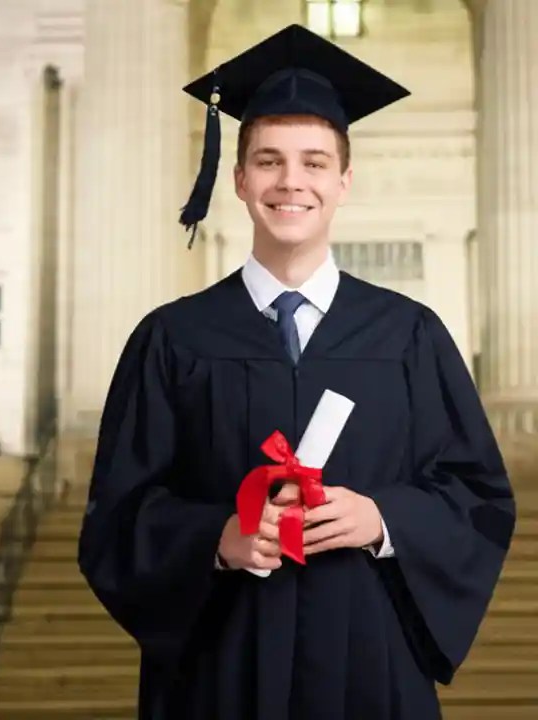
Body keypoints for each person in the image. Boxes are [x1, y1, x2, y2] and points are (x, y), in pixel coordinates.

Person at [76, 24, 514, 720]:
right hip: (219, 671)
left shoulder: (409, 336)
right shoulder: (173, 339)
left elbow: (478, 497)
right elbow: (117, 516)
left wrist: (382, 519)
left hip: (369, 663)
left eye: (314, 162)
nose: (291, 182)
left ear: (344, 182)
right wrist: (216, 539)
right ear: (240, 179)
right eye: (269, 161)